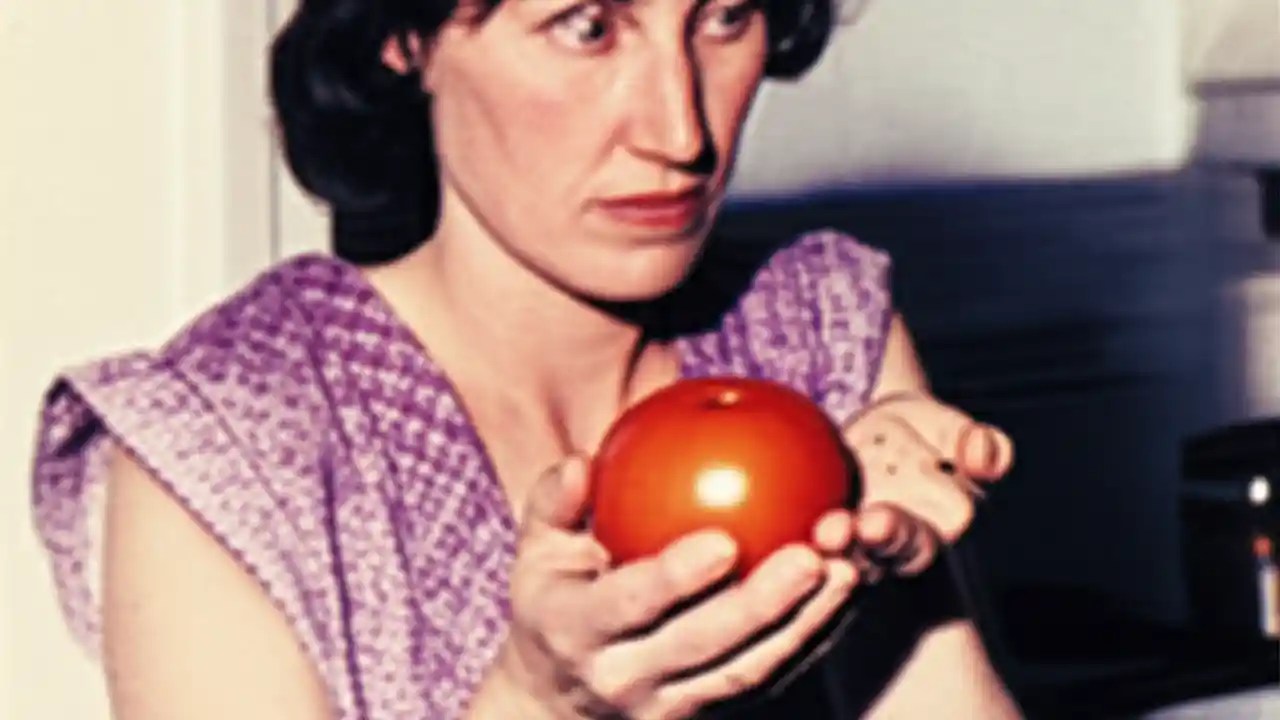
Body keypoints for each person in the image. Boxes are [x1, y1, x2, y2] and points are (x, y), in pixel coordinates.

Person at [28, 0, 1024, 718]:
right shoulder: (223, 439)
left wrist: (893, 571)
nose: (679, 130)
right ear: (403, 36)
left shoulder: (819, 328)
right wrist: (539, 706)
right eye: (586, 27)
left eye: (722, 17)